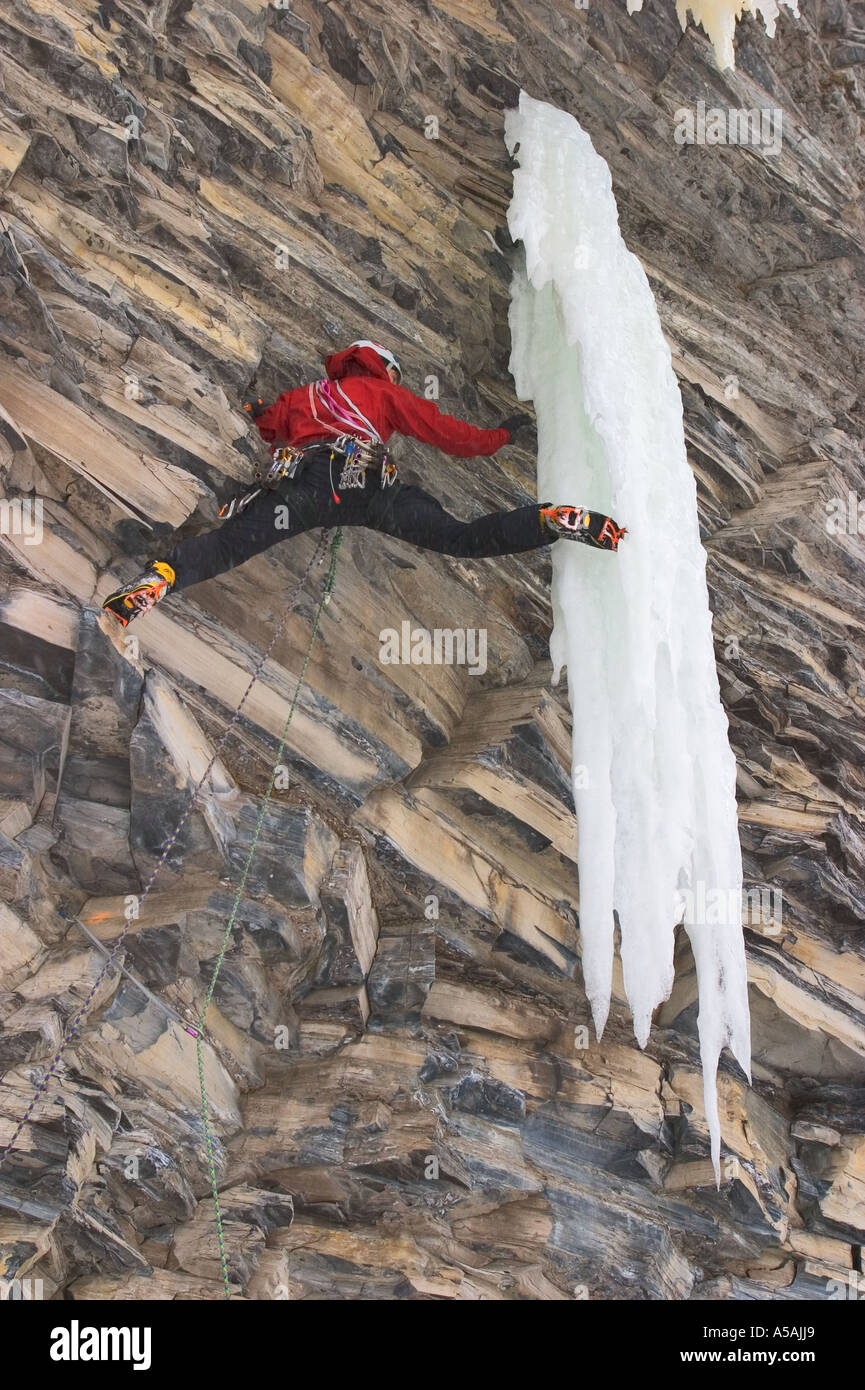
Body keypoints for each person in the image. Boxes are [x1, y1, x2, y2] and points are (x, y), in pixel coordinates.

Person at [102, 340, 625, 626]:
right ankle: (552, 520)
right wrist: (502, 435)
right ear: (384, 369)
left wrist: (260, 409)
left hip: (303, 493)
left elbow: (269, 426)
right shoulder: (384, 395)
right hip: (369, 492)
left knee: (227, 547)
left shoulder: (306, 396)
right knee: (458, 538)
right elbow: (454, 437)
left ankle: (156, 582)